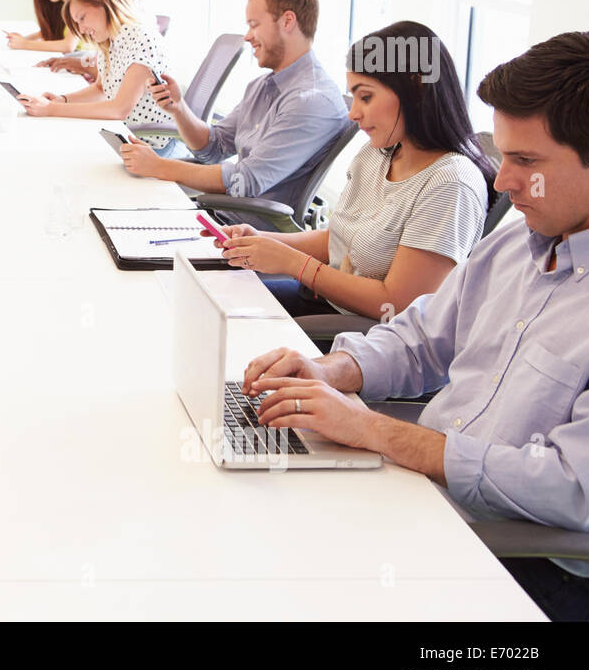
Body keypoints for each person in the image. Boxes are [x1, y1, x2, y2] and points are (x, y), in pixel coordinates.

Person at [240, 32, 589, 620]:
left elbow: (570, 487)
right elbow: (421, 337)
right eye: (503, 155)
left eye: (526, 161)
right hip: (424, 494)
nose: (502, 181)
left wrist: (377, 433)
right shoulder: (513, 248)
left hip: (523, 564)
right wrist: (333, 368)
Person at [212, 22, 493, 324]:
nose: (353, 112)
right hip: (318, 301)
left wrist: (293, 263)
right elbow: (339, 239)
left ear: (415, 89)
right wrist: (262, 241)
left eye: (366, 97)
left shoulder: (449, 185)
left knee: (221, 328)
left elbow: (396, 306)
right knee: (210, 298)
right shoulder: (379, 152)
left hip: (357, 338)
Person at [118, 0, 348, 219]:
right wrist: (178, 108)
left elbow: (244, 182)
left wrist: (159, 166)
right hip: (220, 217)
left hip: (246, 238)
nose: (247, 36)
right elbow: (213, 148)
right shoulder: (262, 85)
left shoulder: (311, 101)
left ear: (287, 21)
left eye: (254, 24)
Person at [15, 0, 168, 126]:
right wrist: (63, 100)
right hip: (124, 135)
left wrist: (52, 109)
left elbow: (120, 109)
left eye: (82, 18)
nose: (81, 30)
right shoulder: (110, 40)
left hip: (147, 145)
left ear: (104, 2)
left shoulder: (141, 38)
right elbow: (101, 89)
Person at [37, 0, 127, 79]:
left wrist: (24, 44)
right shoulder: (107, 39)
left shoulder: (130, 38)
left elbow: (116, 78)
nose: (82, 30)